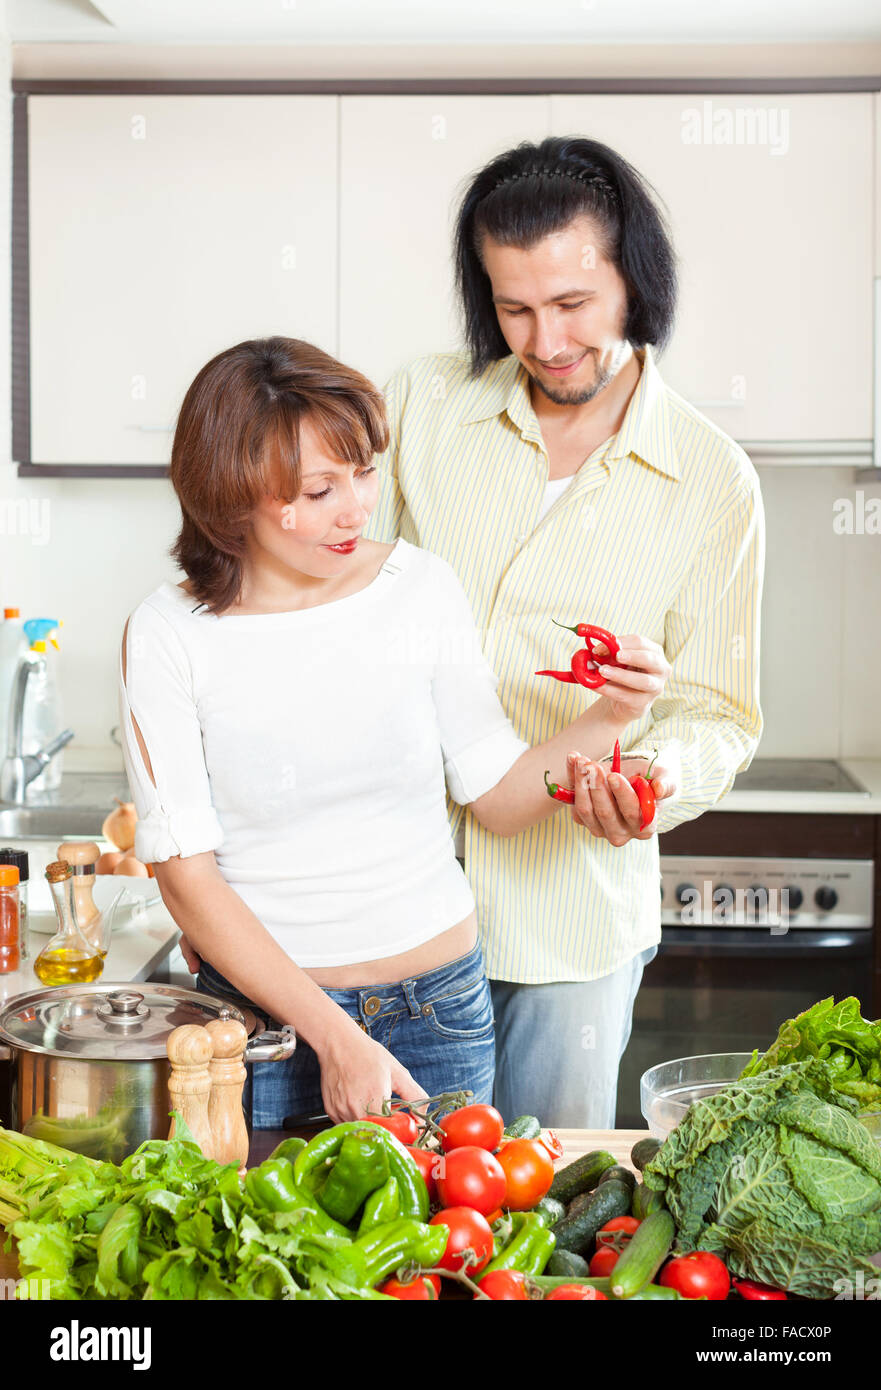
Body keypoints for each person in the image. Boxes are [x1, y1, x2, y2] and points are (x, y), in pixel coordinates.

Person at [118, 335, 672, 1127]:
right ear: (232, 492)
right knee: (269, 1251)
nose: (356, 509)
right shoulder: (169, 632)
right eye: (318, 492)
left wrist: (613, 713)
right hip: (263, 1031)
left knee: (443, 1252)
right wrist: (335, 1038)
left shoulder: (417, 587)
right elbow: (186, 878)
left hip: (437, 1014)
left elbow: (498, 795)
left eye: (364, 471)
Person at [363, 134, 765, 1128]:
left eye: (572, 304)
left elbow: (713, 710)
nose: (544, 340)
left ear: (632, 281)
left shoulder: (711, 480)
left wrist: (651, 780)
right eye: (513, 307)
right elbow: (346, 602)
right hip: (393, 912)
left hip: (570, 925)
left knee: (539, 1221)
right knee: (399, 1211)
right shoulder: (420, 402)